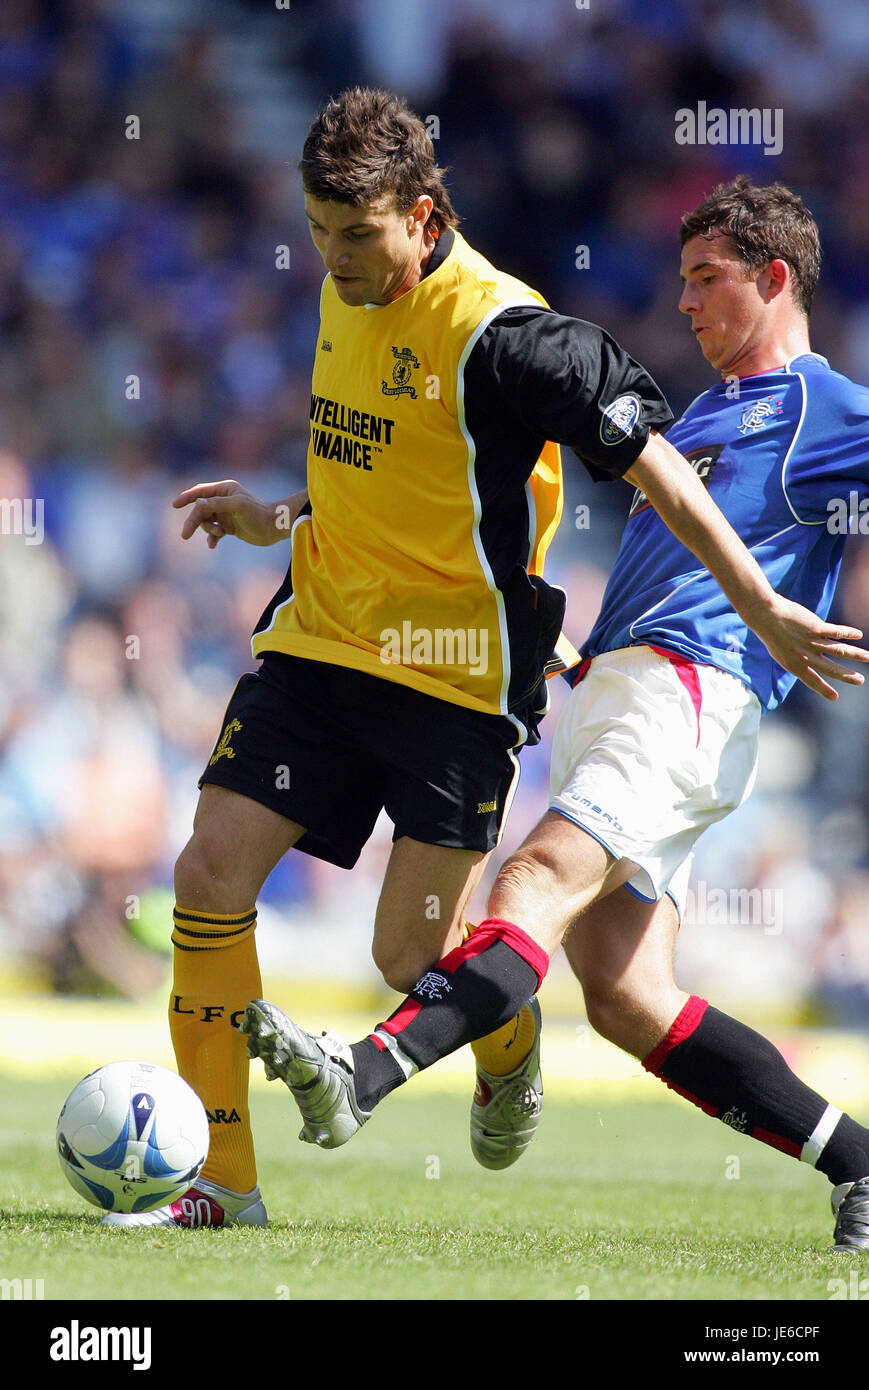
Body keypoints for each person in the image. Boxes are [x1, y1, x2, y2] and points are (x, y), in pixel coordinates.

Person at [103, 92, 863, 1234]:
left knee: (425, 947)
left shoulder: (521, 337)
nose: (331, 258)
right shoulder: (351, 291)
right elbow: (396, 464)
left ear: (422, 216)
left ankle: (435, 1056)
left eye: (355, 235)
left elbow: (648, 466)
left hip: (486, 681)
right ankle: (226, 1186)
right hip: (337, 641)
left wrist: (764, 609)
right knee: (225, 879)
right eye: (316, 232)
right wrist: (281, 515)